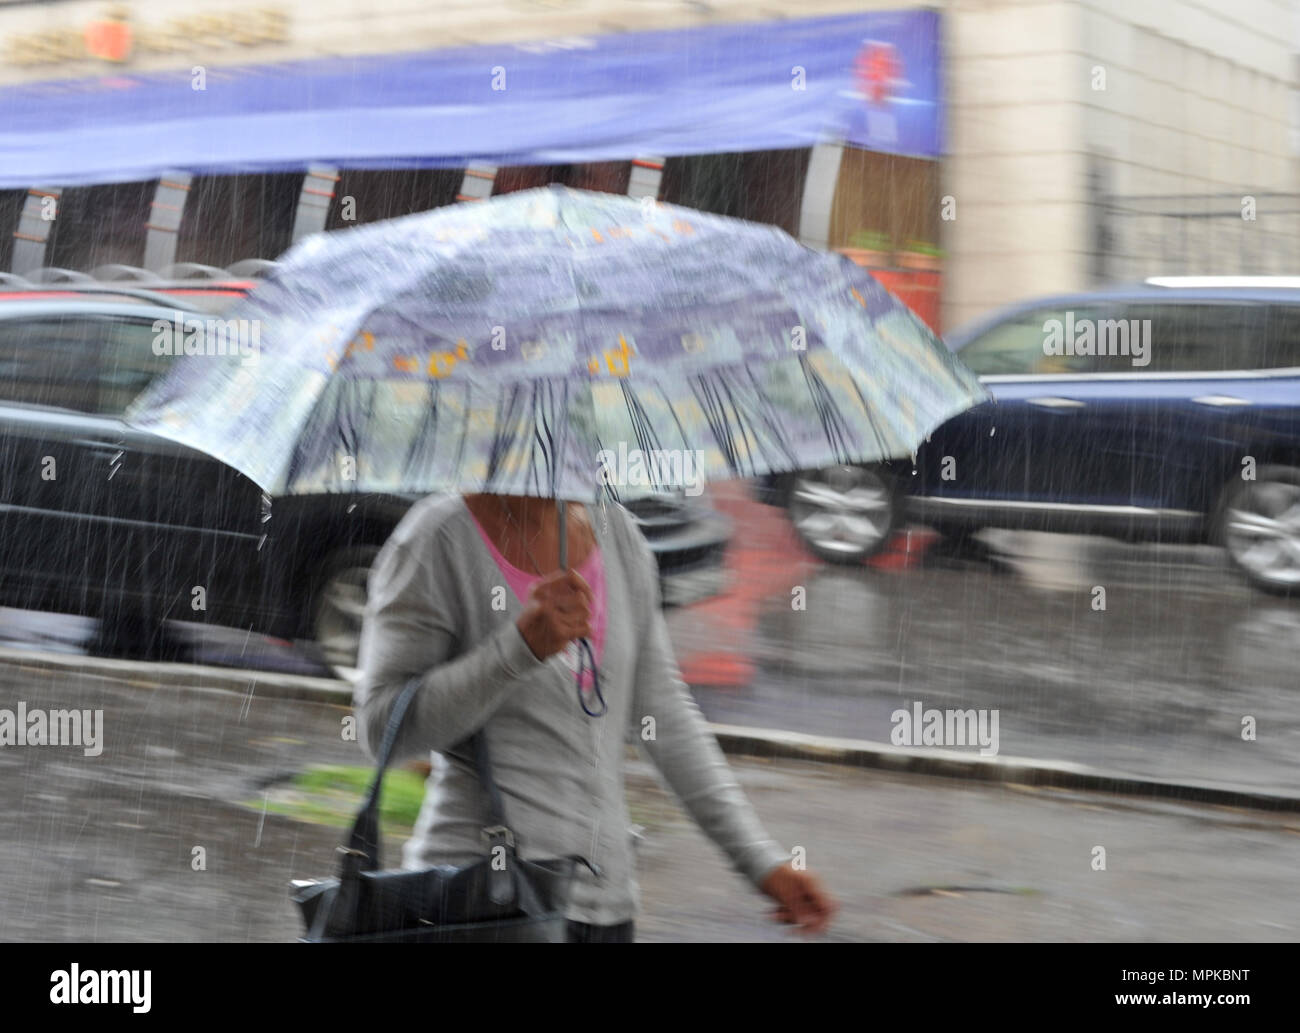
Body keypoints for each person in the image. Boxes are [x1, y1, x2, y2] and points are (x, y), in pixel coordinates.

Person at [354, 491, 836, 943]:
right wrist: (516, 651)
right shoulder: (437, 540)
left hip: (604, 911)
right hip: (481, 902)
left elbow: (665, 715)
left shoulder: (617, 534)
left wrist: (759, 859)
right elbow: (381, 728)